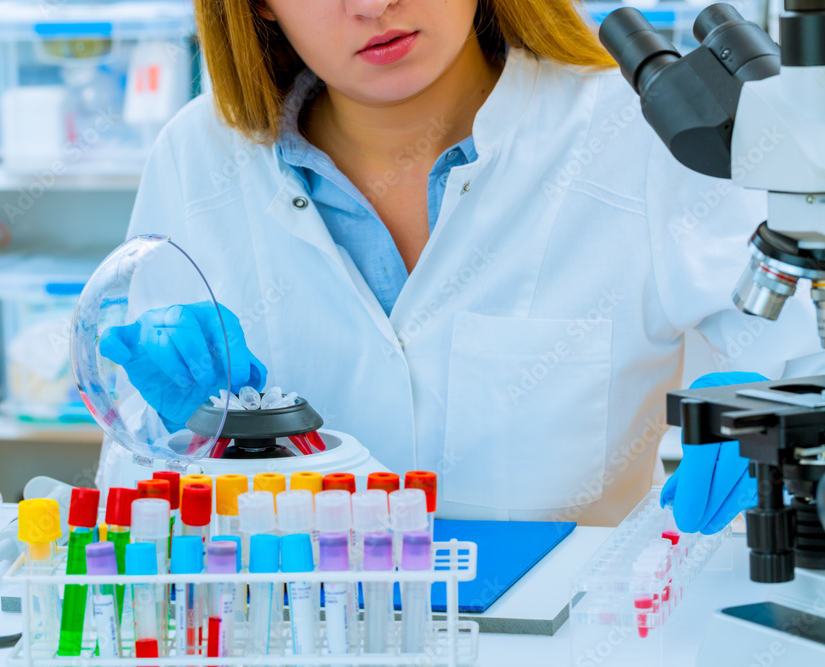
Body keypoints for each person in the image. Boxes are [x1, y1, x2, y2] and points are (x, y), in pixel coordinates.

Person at [96, 0, 825, 530]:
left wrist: (766, 406)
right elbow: (131, 490)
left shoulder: (638, 133)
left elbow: (796, 354)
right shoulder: (200, 159)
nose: (373, 6)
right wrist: (173, 436)